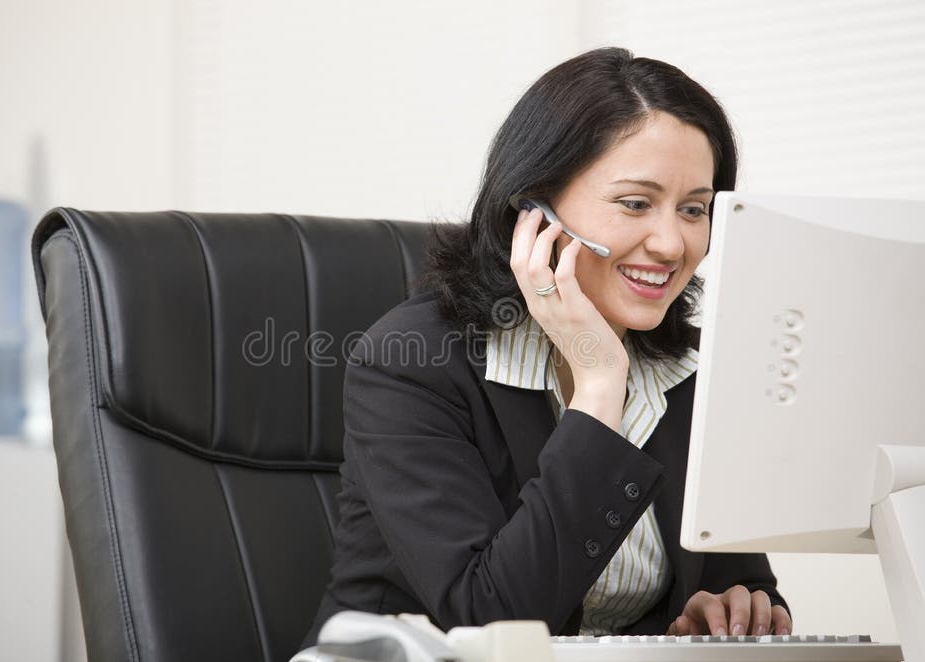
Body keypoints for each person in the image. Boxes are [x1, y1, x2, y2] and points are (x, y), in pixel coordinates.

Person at [303, 47, 792, 647]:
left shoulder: (690, 369)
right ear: (534, 211)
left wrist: (730, 608)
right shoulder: (412, 364)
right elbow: (491, 619)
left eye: (694, 209)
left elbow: (738, 579)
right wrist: (600, 387)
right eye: (635, 203)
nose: (671, 244)